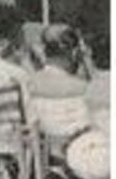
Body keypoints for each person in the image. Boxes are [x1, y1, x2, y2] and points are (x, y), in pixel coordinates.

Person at [30, 24, 94, 158]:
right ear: (75, 53)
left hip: (46, 154)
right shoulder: (83, 89)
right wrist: (88, 64)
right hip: (81, 155)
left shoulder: (29, 83)